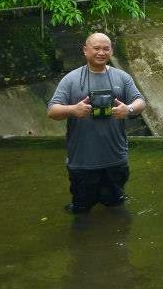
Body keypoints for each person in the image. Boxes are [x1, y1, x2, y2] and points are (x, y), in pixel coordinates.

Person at [48, 32, 146, 213]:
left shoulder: (122, 77)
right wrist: (73, 110)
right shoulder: (71, 79)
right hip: (82, 161)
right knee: (81, 209)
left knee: (116, 207)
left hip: (115, 159)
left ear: (111, 51)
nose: (101, 52)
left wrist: (128, 109)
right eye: (96, 48)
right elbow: (52, 111)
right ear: (85, 51)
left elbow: (140, 102)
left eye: (106, 49)